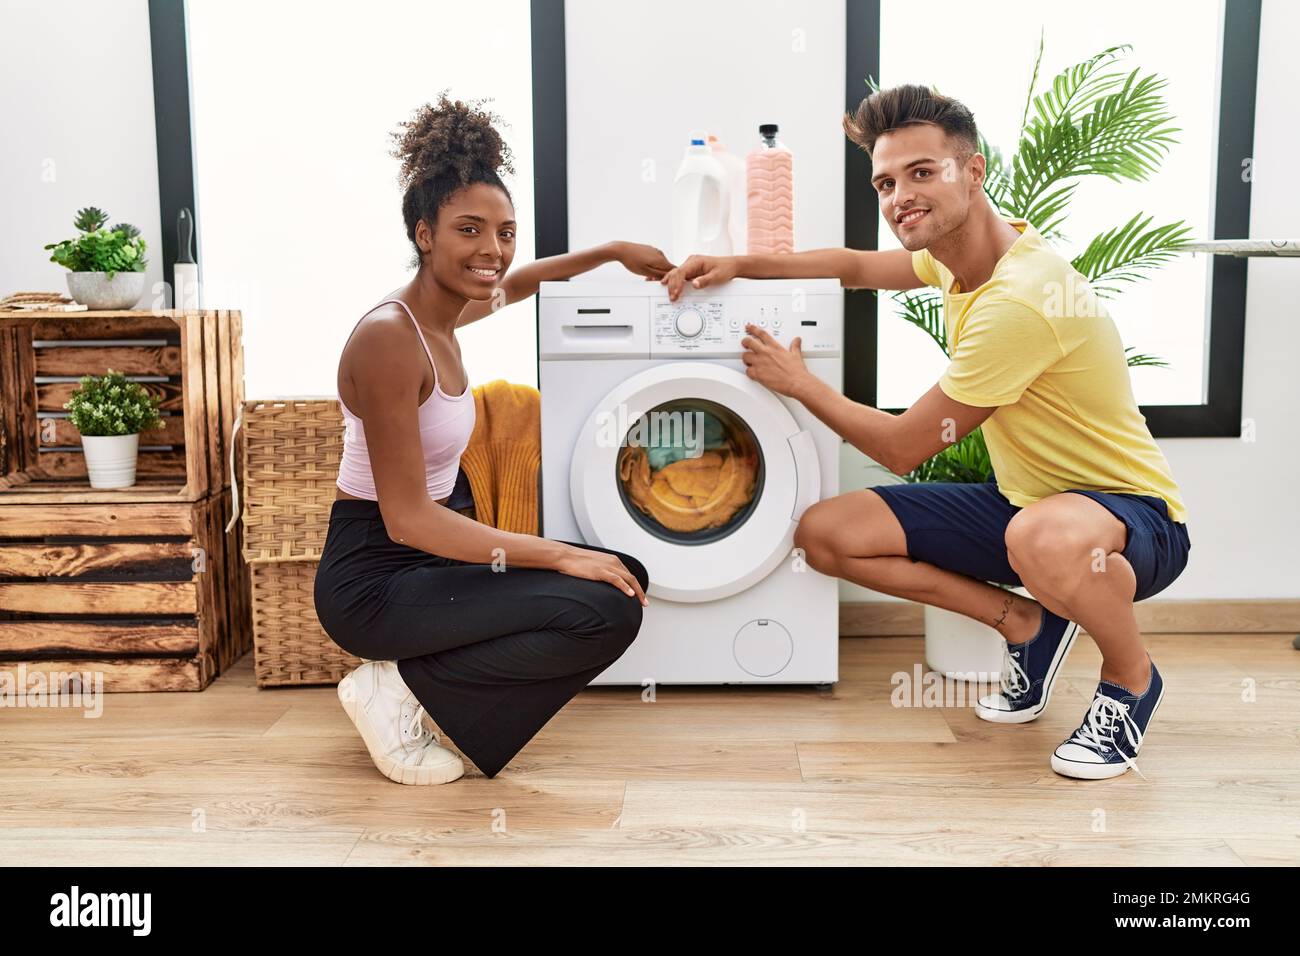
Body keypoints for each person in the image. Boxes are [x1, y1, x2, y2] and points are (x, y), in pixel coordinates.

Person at [661, 84, 1191, 780]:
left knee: (1043, 539)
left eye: (921, 173)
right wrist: (739, 264)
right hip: (1026, 507)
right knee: (826, 534)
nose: (898, 196)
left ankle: (1130, 681)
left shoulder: (1021, 301)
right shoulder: (957, 256)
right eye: (885, 181)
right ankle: (1028, 627)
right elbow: (852, 266)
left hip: (1132, 519)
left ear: (973, 172)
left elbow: (905, 448)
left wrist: (799, 382)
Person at [314, 92, 669, 784]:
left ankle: (407, 683)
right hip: (374, 579)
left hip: (427, 564)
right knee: (600, 604)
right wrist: (559, 556)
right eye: (470, 230)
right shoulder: (391, 339)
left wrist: (614, 253)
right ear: (424, 233)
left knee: (625, 581)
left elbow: (524, 281)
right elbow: (408, 517)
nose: (493, 251)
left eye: (505, 232)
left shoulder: (445, 316)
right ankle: (398, 692)